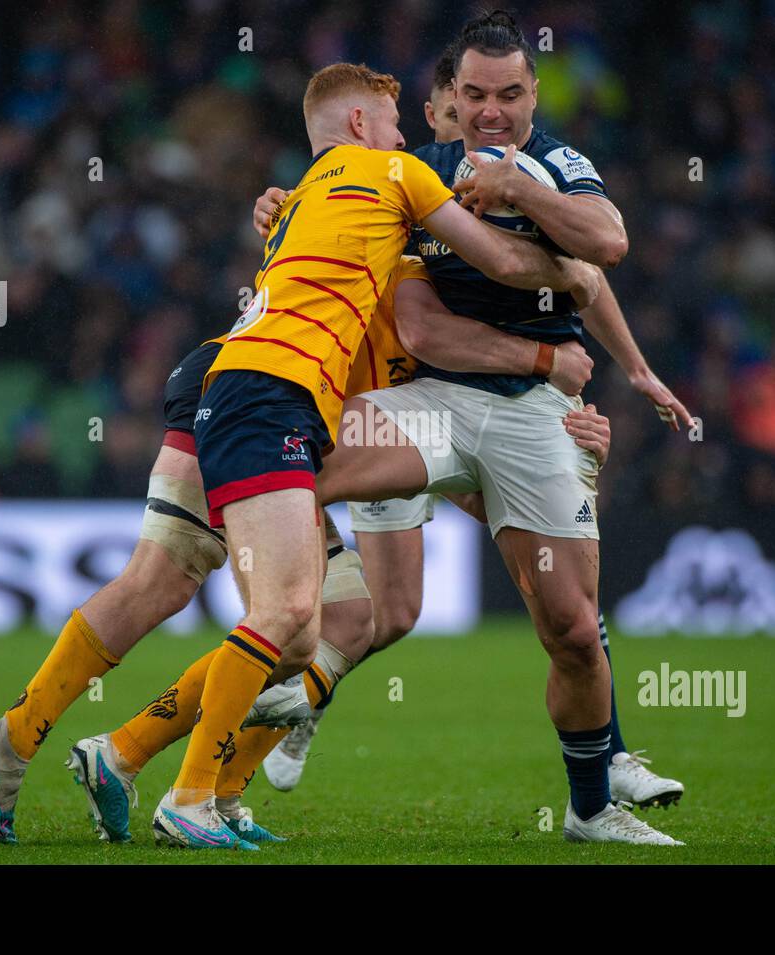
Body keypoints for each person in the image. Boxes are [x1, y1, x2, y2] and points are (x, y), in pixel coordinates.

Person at [151, 59, 599, 849]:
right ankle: (157, 771)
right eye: (424, 114)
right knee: (301, 615)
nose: (444, 124)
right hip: (318, 402)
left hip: (330, 403)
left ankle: (213, 770)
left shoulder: (322, 196)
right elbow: (477, 285)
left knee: (363, 617)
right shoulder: (396, 174)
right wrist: (572, 294)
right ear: (412, 116)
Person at [256, 44, 692, 816]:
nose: (489, 111)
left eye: (510, 94)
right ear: (447, 102)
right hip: (421, 397)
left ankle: (602, 779)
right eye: (473, 96)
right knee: (349, 567)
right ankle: (226, 749)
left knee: (565, 615)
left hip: (530, 415)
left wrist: (636, 370)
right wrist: (278, 209)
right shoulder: (412, 174)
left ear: (533, 99)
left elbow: (600, 259)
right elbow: (417, 321)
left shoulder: (555, 164)